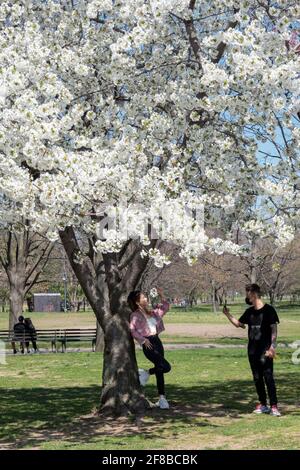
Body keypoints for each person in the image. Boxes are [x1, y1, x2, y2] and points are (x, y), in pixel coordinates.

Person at [223, 283, 281, 417]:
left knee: (268, 377)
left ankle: (274, 406)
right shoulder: (249, 311)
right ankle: (263, 404)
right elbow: (240, 324)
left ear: (253, 293)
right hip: (252, 351)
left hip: (266, 350)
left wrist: (272, 347)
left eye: (247, 293)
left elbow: (274, 329)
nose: (246, 296)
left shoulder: (269, 310)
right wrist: (227, 314)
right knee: (257, 378)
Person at [128, 287, 171, 409]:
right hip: (148, 344)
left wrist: (161, 293)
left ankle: (162, 398)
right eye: (143, 297)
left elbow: (165, 306)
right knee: (166, 367)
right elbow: (132, 330)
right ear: (137, 302)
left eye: (145, 297)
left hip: (157, 341)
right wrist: (142, 340)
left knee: (159, 370)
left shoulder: (152, 312)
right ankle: (146, 374)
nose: (146, 298)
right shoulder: (134, 315)